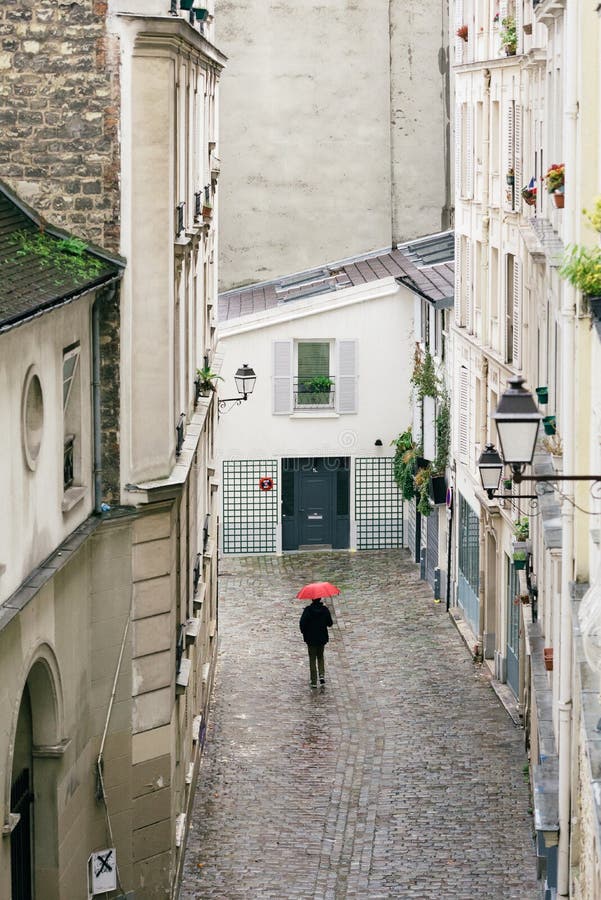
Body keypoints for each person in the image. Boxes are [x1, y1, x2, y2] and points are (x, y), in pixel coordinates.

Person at [299, 597, 333, 688]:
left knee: (312, 659)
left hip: (310, 638)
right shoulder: (324, 610)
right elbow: (330, 623)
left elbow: (302, 624)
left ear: (312, 599)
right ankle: (321, 675)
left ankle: (314, 681)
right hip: (321, 637)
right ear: (320, 598)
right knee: (320, 656)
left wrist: (304, 632)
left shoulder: (308, 610)